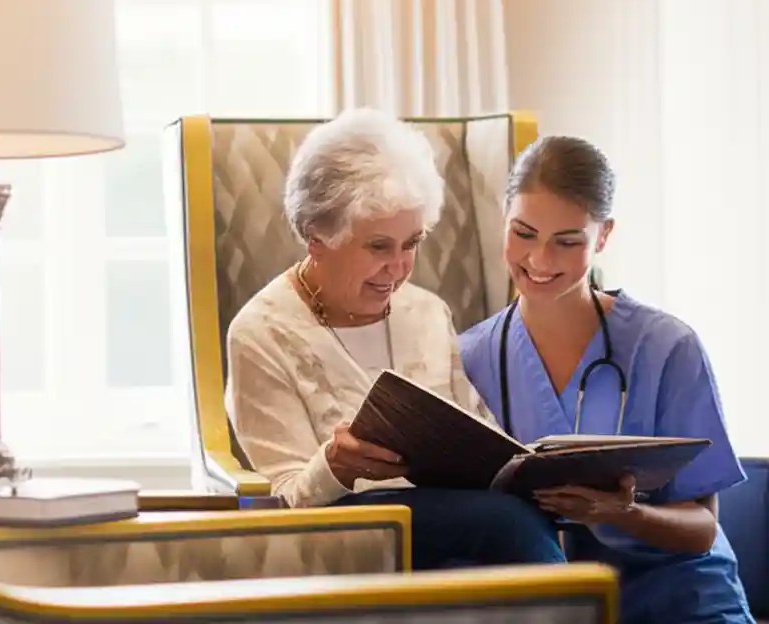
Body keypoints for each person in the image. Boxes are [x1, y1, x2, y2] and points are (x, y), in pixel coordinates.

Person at [225, 108, 565, 571]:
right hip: (343, 536)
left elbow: (477, 432)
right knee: (506, 527)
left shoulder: (426, 312)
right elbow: (281, 507)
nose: (400, 267)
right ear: (316, 237)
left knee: (515, 524)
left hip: (457, 524)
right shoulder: (260, 333)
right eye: (378, 246)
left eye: (412, 243)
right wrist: (335, 465)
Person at [459, 135, 753, 623]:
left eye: (568, 241)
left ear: (604, 235)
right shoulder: (471, 357)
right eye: (524, 233)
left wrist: (623, 514)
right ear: (504, 219)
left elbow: (702, 528)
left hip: (683, 596)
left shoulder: (664, 348)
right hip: (555, 600)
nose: (539, 260)